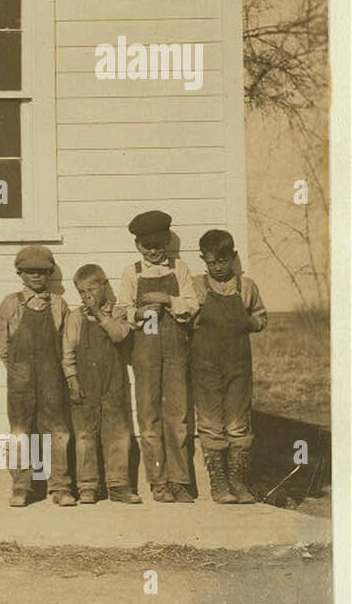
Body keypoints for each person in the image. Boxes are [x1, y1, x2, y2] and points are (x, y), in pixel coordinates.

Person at [114, 210, 199, 504]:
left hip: (176, 346)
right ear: (138, 245)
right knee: (149, 415)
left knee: (178, 416)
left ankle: (180, 481)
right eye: (147, 246)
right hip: (145, 348)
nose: (153, 251)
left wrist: (166, 300)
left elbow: (191, 305)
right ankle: (158, 481)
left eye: (159, 245)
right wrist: (139, 312)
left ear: (167, 243)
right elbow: (121, 309)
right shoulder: (132, 272)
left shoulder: (180, 269)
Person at [191, 229, 267, 504]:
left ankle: (238, 480)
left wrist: (250, 323)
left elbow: (261, 317)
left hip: (238, 365)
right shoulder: (197, 286)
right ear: (204, 261)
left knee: (237, 423)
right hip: (206, 366)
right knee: (211, 423)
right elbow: (186, 317)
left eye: (223, 261)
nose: (218, 268)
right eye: (211, 262)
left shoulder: (246, 287)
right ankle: (219, 482)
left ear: (233, 257)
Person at [0, 246, 72, 506]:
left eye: (42, 272)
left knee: (57, 430)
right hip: (21, 379)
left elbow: (67, 342)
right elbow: (2, 342)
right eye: (30, 272)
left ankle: (60, 486)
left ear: (49, 273)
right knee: (19, 431)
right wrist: (16, 368)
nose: (37, 277)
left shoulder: (59, 304)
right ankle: (21, 486)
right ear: (20, 273)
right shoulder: (11, 303)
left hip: (52, 377)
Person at [63, 265, 142, 504]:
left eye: (92, 289)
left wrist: (98, 312)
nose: (87, 296)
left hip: (113, 383)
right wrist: (72, 379)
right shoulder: (75, 317)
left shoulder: (117, 314)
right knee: (85, 436)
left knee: (117, 434)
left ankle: (118, 485)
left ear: (105, 285)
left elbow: (119, 335)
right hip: (85, 383)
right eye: (81, 291)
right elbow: (67, 352)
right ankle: (87, 485)